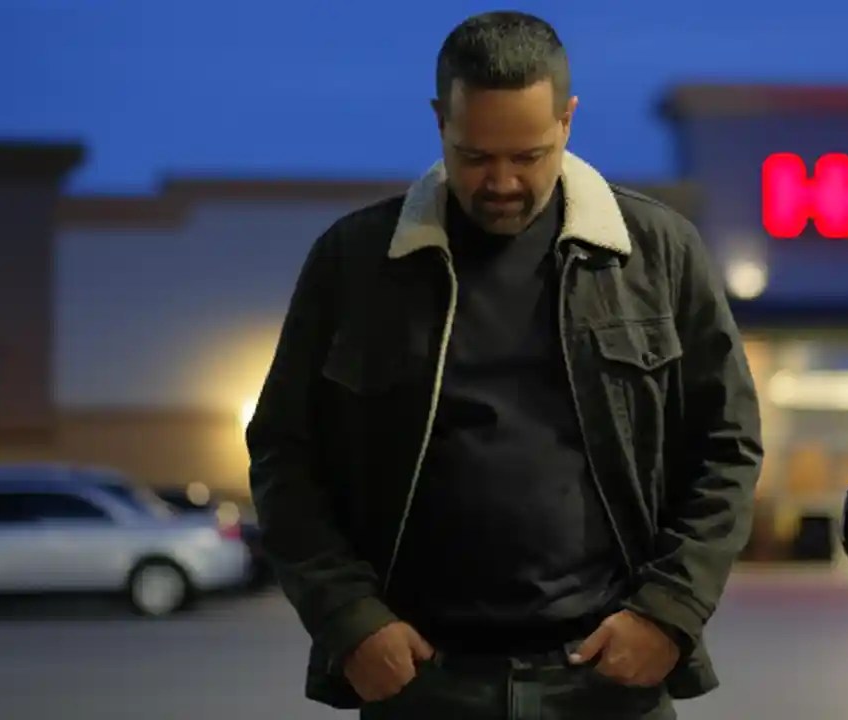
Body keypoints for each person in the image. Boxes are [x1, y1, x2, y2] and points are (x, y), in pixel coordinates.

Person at [246, 10, 763, 719]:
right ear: (439, 122)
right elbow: (283, 453)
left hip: (608, 678)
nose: (502, 182)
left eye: (528, 156)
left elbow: (727, 447)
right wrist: (349, 620)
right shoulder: (356, 263)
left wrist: (669, 612)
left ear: (568, 121)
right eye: (475, 156)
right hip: (422, 681)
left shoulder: (657, 254)